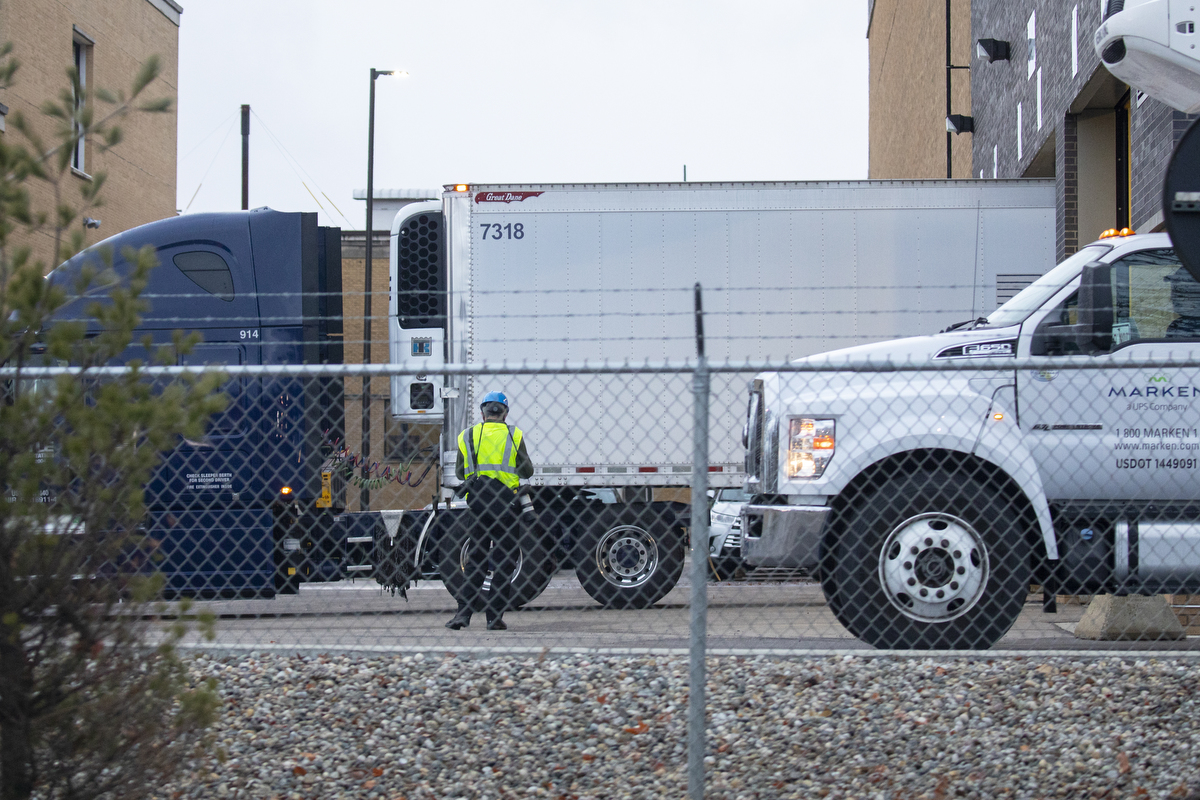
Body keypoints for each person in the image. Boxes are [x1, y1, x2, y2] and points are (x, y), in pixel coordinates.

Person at [445, 391, 534, 631]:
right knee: (504, 561)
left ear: (483, 412)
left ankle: (463, 615)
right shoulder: (514, 434)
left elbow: (460, 474)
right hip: (507, 506)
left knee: (475, 560)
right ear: (504, 413)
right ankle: (494, 618)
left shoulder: (468, 436)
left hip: (479, 505)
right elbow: (527, 471)